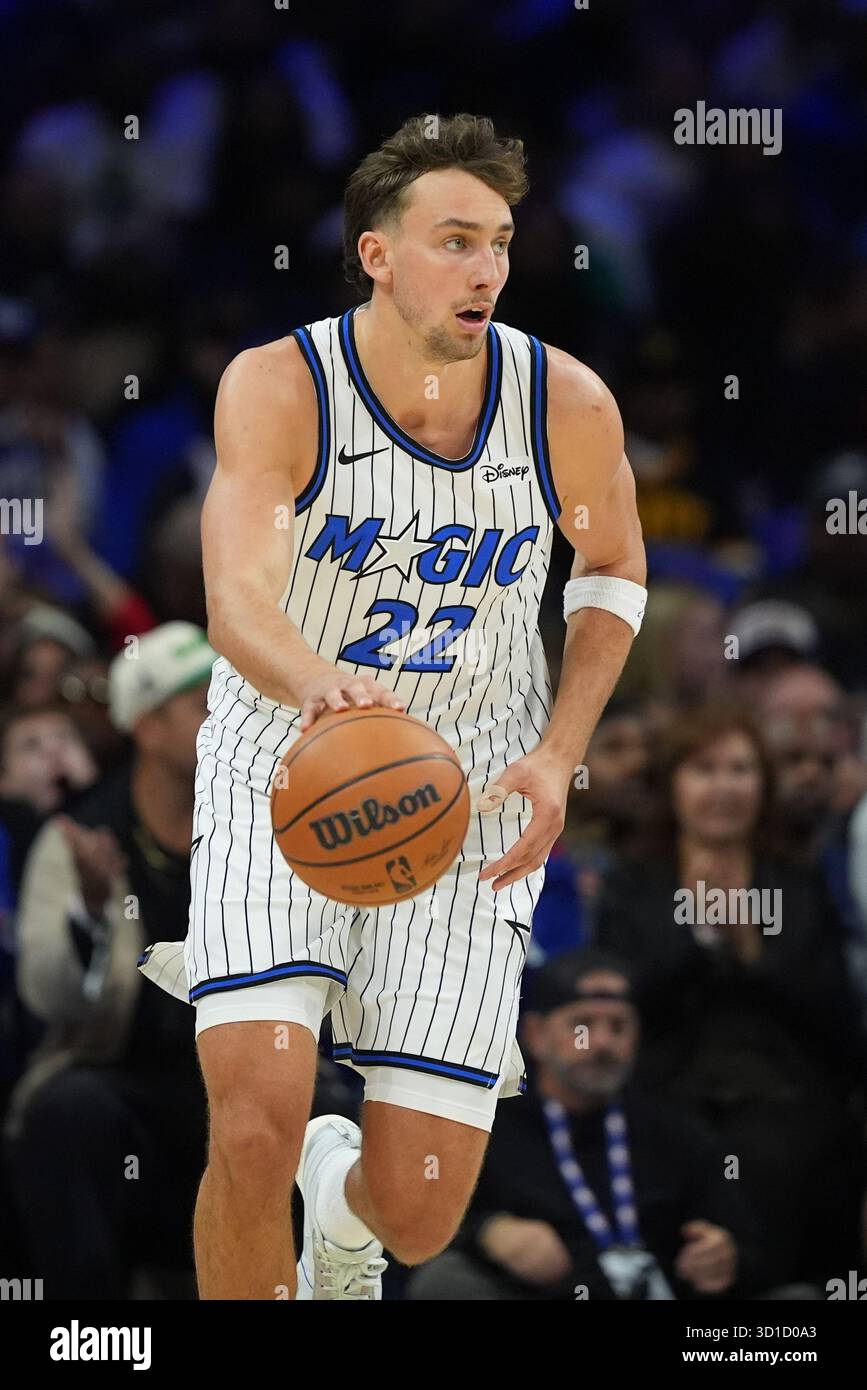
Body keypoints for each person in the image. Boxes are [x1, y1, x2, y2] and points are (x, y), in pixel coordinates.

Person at [138, 112, 647, 1301]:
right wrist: (318, 685)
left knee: (419, 1214)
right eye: (454, 239)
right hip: (290, 756)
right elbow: (239, 600)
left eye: (502, 243)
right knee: (252, 1124)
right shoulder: (280, 386)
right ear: (377, 254)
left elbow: (613, 576)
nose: (485, 270)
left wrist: (560, 754)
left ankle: (349, 1216)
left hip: (475, 782)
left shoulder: (565, 401)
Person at [596, 705, 867, 1290]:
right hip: (667, 1097)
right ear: (673, 785)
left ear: (763, 786)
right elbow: (621, 1005)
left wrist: (751, 950)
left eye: (740, 770)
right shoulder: (636, 883)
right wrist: (698, 941)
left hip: (787, 1102)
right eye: (704, 769)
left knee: (778, 1155)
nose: (723, 787)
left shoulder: (797, 879)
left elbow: (836, 1020)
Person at [3, 622, 215, 1298]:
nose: (226, 717)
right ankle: (93, 1331)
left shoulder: (265, 824)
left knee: (340, 1103)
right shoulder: (79, 838)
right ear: (146, 728)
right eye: (202, 703)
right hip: (133, 1100)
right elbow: (51, 999)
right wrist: (91, 913)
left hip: (242, 1085)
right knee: (69, 1107)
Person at [406, 949, 766, 1300]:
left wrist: (725, 1256)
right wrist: (487, 1231)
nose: (603, 1043)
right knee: (446, 1281)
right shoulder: (487, 1131)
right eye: (582, 1025)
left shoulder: (677, 1131)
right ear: (535, 1036)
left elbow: (750, 1244)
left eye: (619, 1026)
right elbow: (412, 1227)